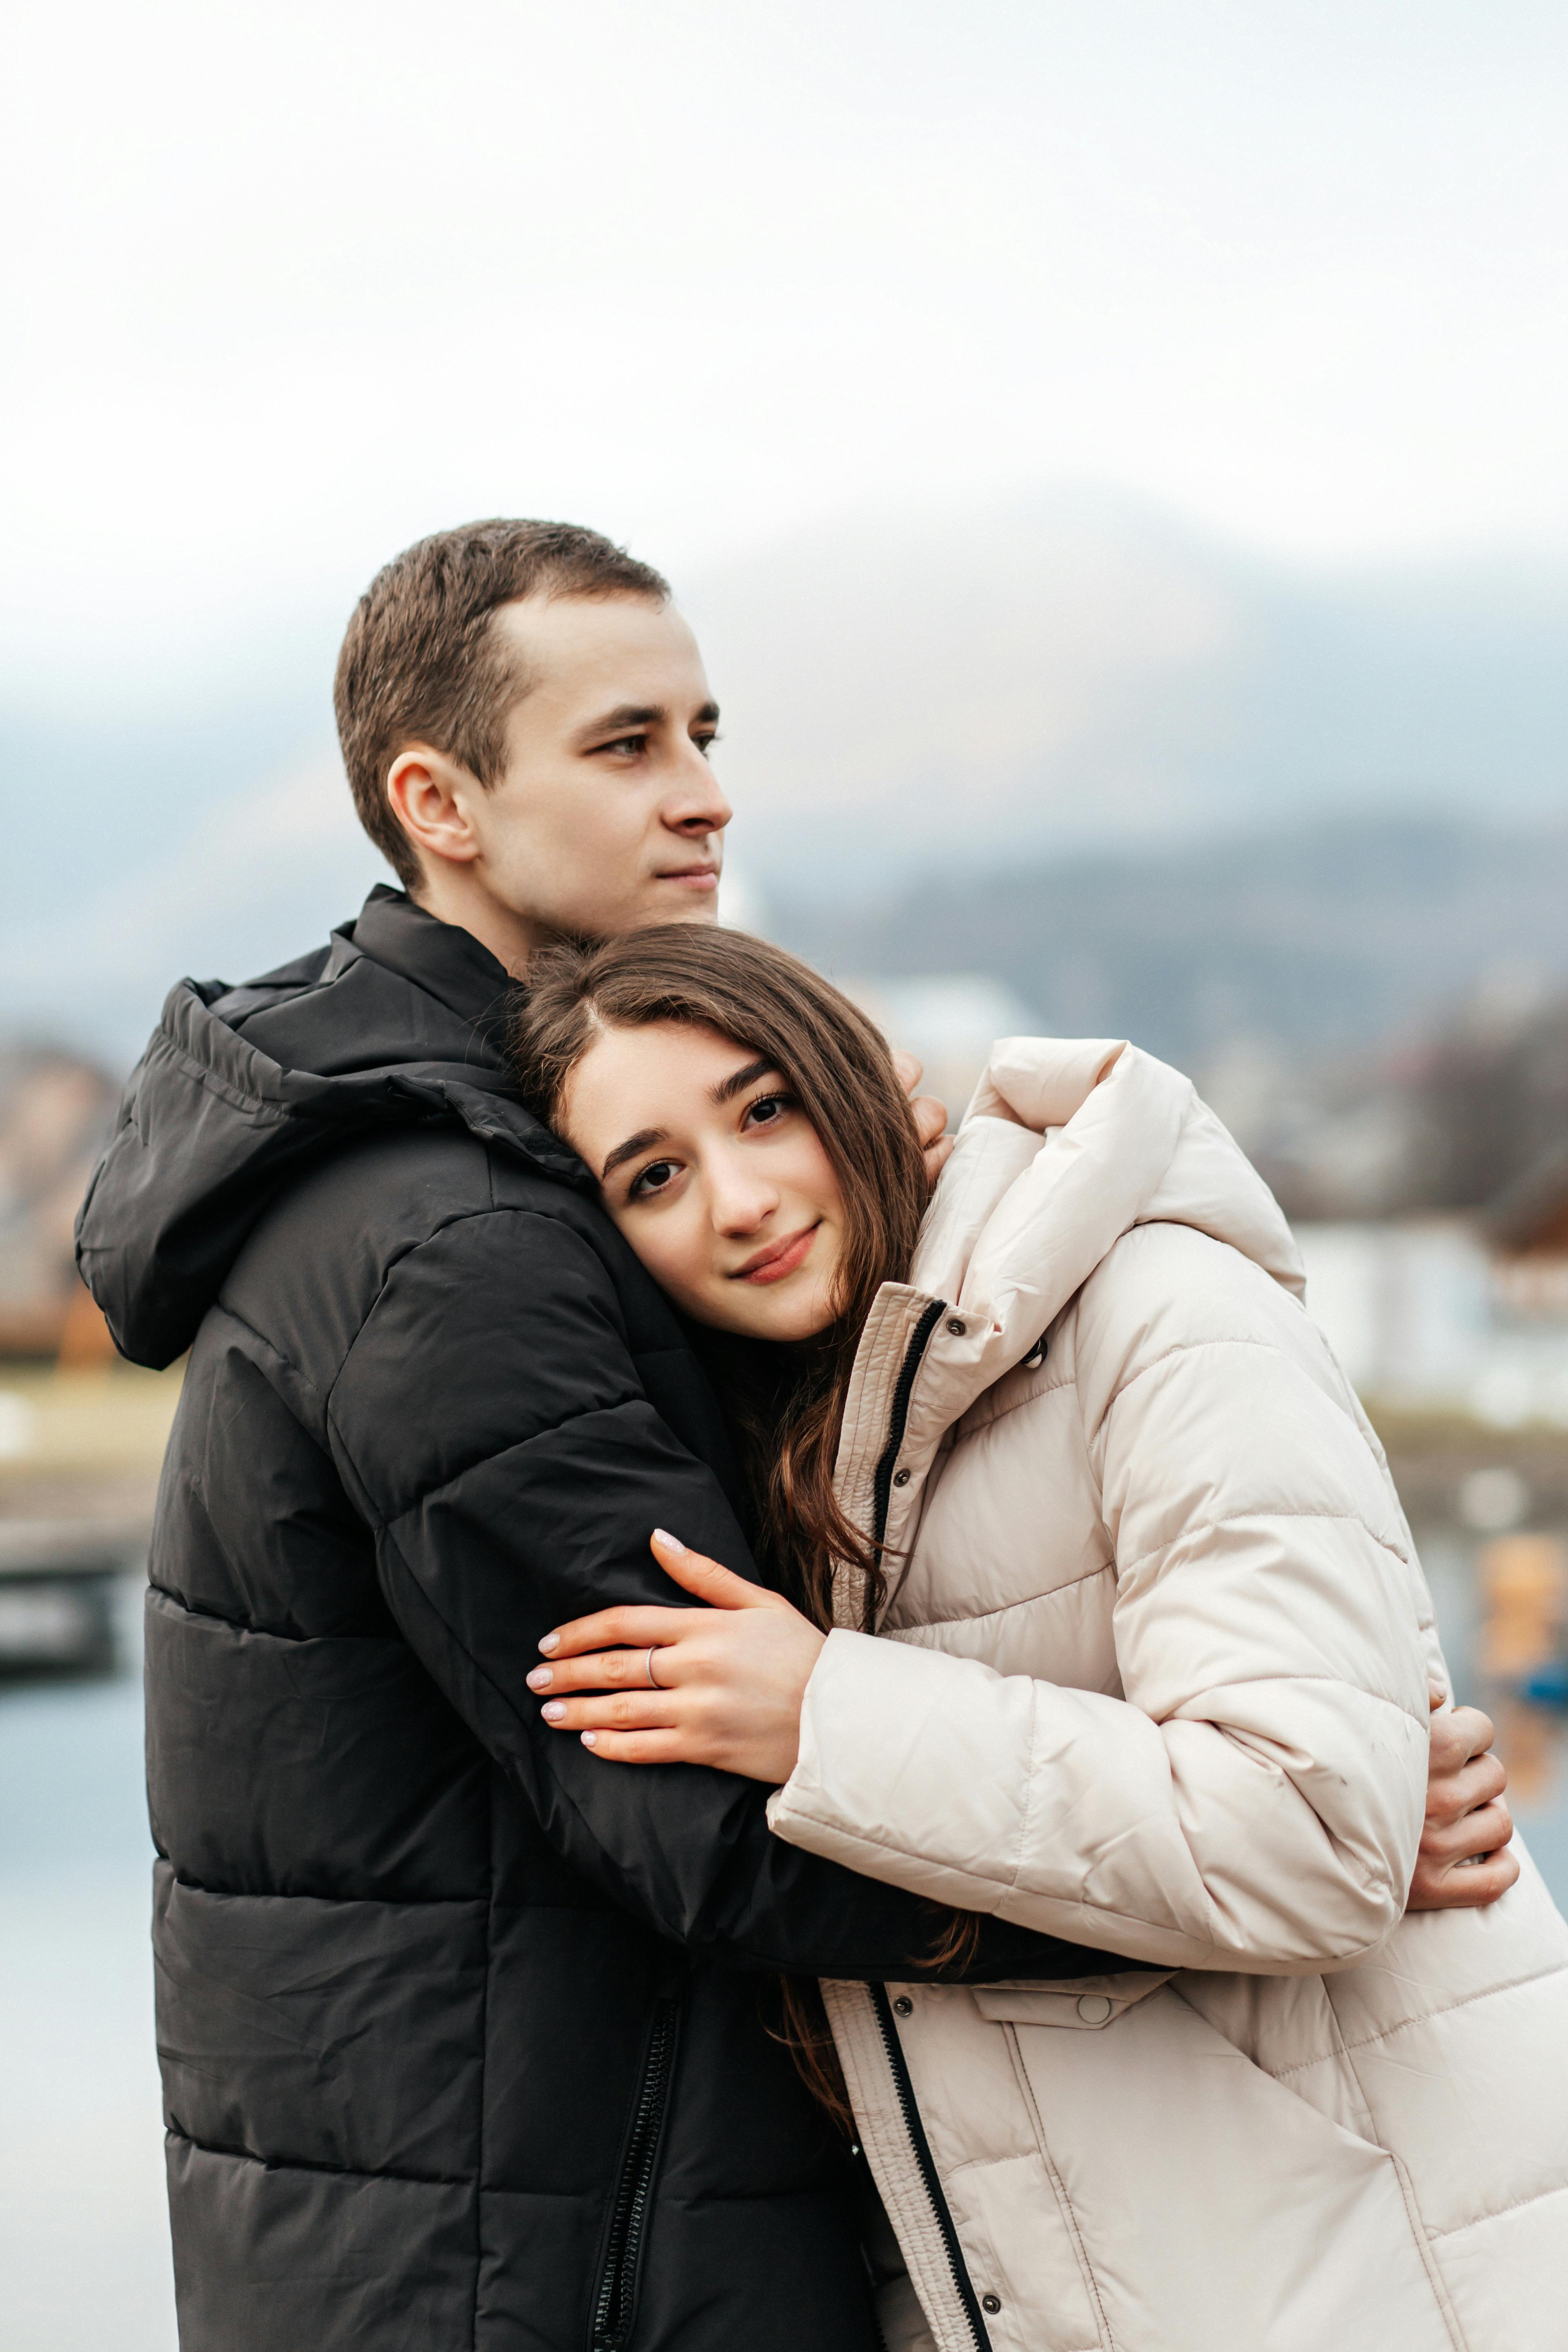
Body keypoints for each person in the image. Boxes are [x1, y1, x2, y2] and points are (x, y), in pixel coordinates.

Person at [77, 517, 1514, 2352]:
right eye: (626, 747)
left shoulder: (514, 1141)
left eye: (705, 732)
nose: (705, 801)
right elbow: (716, 1805)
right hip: (547, 2255)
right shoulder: (453, 1236)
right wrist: (1300, 1862)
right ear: (437, 802)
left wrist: (1300, 1763)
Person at [508, 920, 1565, 2352]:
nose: (741, 1199)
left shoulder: (1164, 1315)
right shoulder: (797, 1462)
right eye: (655, 1177)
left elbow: (1312, 1838)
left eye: (767, 1107)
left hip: (1379, 2281)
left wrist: (831, 1715)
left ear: (871, 1083)